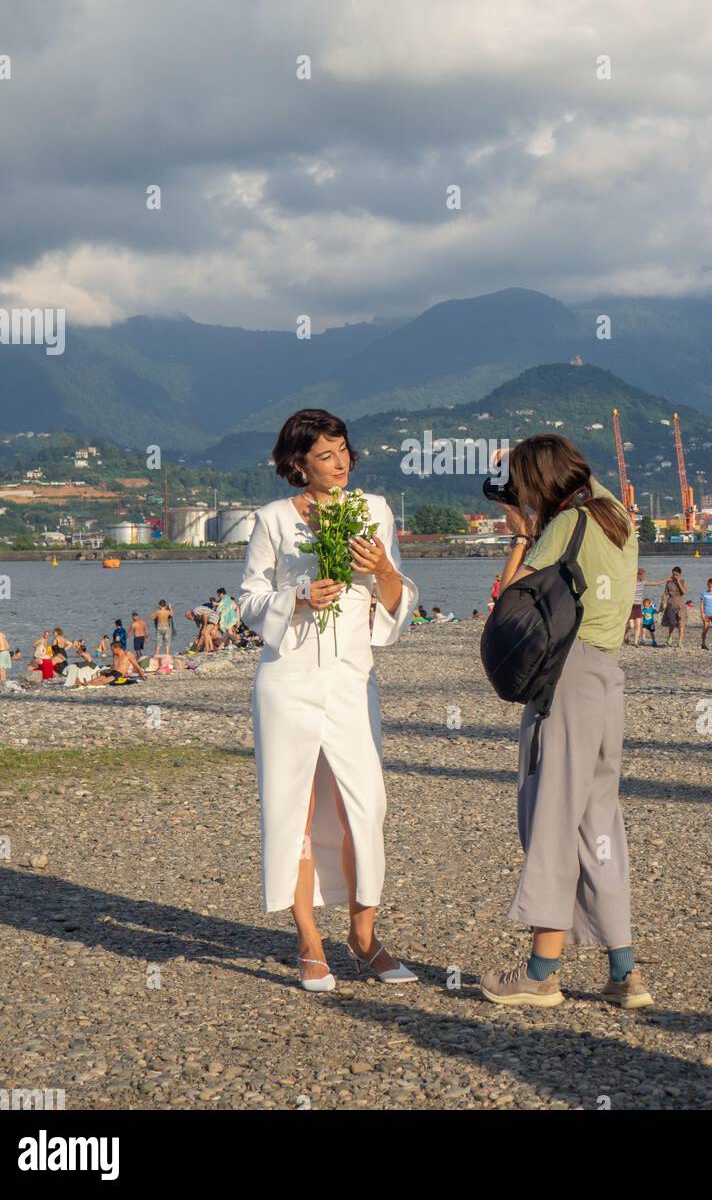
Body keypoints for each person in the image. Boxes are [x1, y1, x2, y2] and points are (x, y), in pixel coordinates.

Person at [238, 408, 419, 992]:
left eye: (344, 452)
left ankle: (364, 940)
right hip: (286, 680)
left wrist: (384, 569)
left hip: (349, 677)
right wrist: (296, 596)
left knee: (364, 805)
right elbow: (248, 601)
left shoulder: (374, 511)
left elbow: (395, 597)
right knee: (291, 808)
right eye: (325, 455)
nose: (340, 464)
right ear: (297, 464)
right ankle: (309, 943)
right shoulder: (270, 519)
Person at [479, 434, 653, 1011]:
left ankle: (540, 974)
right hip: (608, 678)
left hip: (567, 677)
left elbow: (510, 598)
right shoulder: (616, 514)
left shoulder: (564, 525)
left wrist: (523, 532)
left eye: (526, 484)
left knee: (551, 815)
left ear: (543, 483)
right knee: (599, 823)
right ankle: (624, 973)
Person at [629, 567, 664, 645]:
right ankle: (625, 636)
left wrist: (666, 580)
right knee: (631, 626)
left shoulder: (643, 582)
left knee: (638, 623)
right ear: (638, 575)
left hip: (638, 606)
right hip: (631, 606)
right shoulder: (631, 582)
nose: (644, 576)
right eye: (643, 575)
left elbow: (655, 583)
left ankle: (635, 642)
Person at [659, 567, 687, 646]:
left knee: (681, 623)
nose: (674, 576)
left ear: (680, 574)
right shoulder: (669, 582)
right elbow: (665, 593)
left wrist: (678, 582)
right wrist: (662, 605)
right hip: (670, 603)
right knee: (672, 623)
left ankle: (680, 641)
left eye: (676, 574)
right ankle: (670, 636)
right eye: (673, 574)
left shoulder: (682, 581)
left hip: (680, 604)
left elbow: (684, 592)